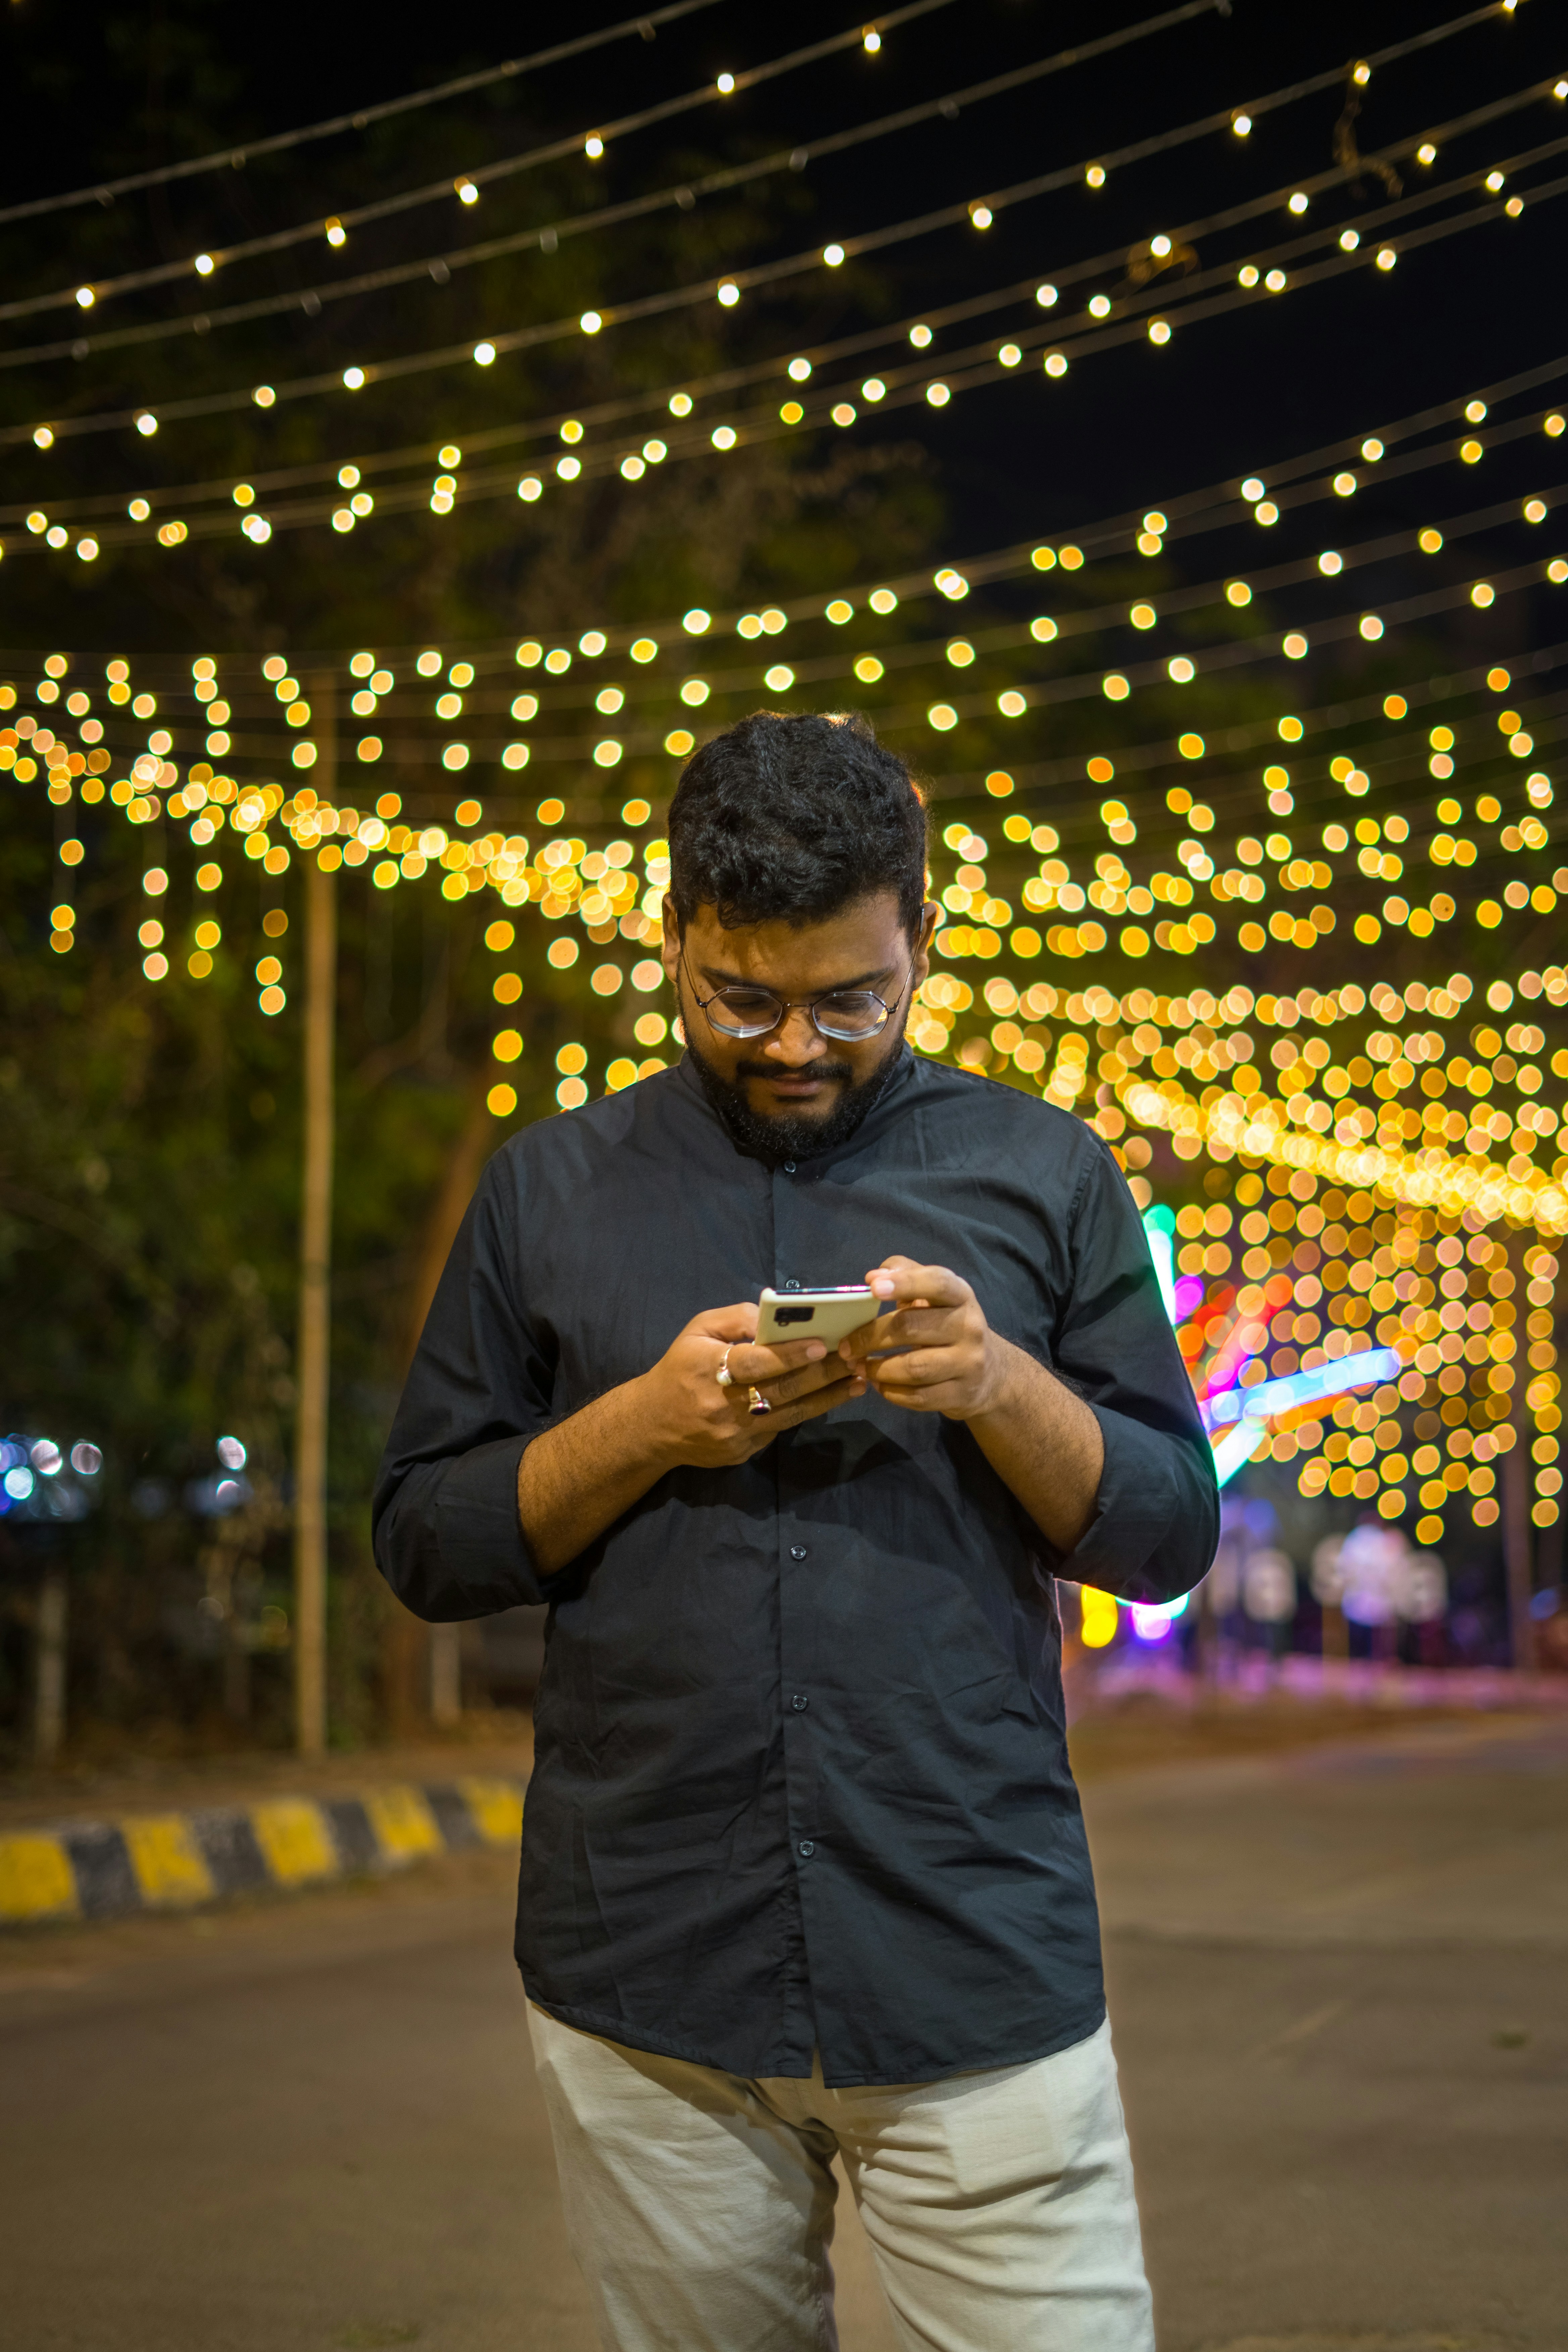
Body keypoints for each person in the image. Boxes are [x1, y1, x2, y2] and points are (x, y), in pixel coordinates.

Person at [374, 711, 1218, 2352]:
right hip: (648, 1979)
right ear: (670, 934)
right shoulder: (549, 1189)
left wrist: (993, 1382)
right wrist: (641, 1425)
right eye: (739, 998)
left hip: (971, 1959)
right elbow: (423, 1540)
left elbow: (1169, 1530)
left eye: (852, 999)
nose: (794, 1045)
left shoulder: (1045, 1177)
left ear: (923, 940)